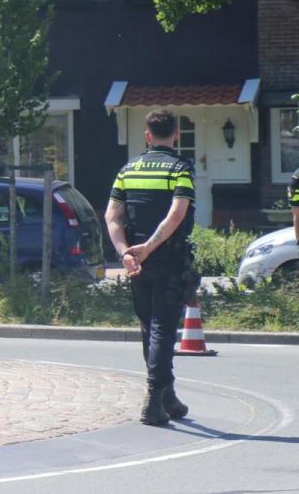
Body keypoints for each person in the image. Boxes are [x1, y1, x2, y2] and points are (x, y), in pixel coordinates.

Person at [104, 109, 198, 426]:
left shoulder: (127, 170)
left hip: (136, 263)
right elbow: (177, 215)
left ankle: (167, 396)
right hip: (167, 259)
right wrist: (150, 248)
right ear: (175, 135)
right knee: (163, 329)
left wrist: (126, 254)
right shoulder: (180, 169)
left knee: (149, 328)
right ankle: (153, 401)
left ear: (147, 135)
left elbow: (112, 217)